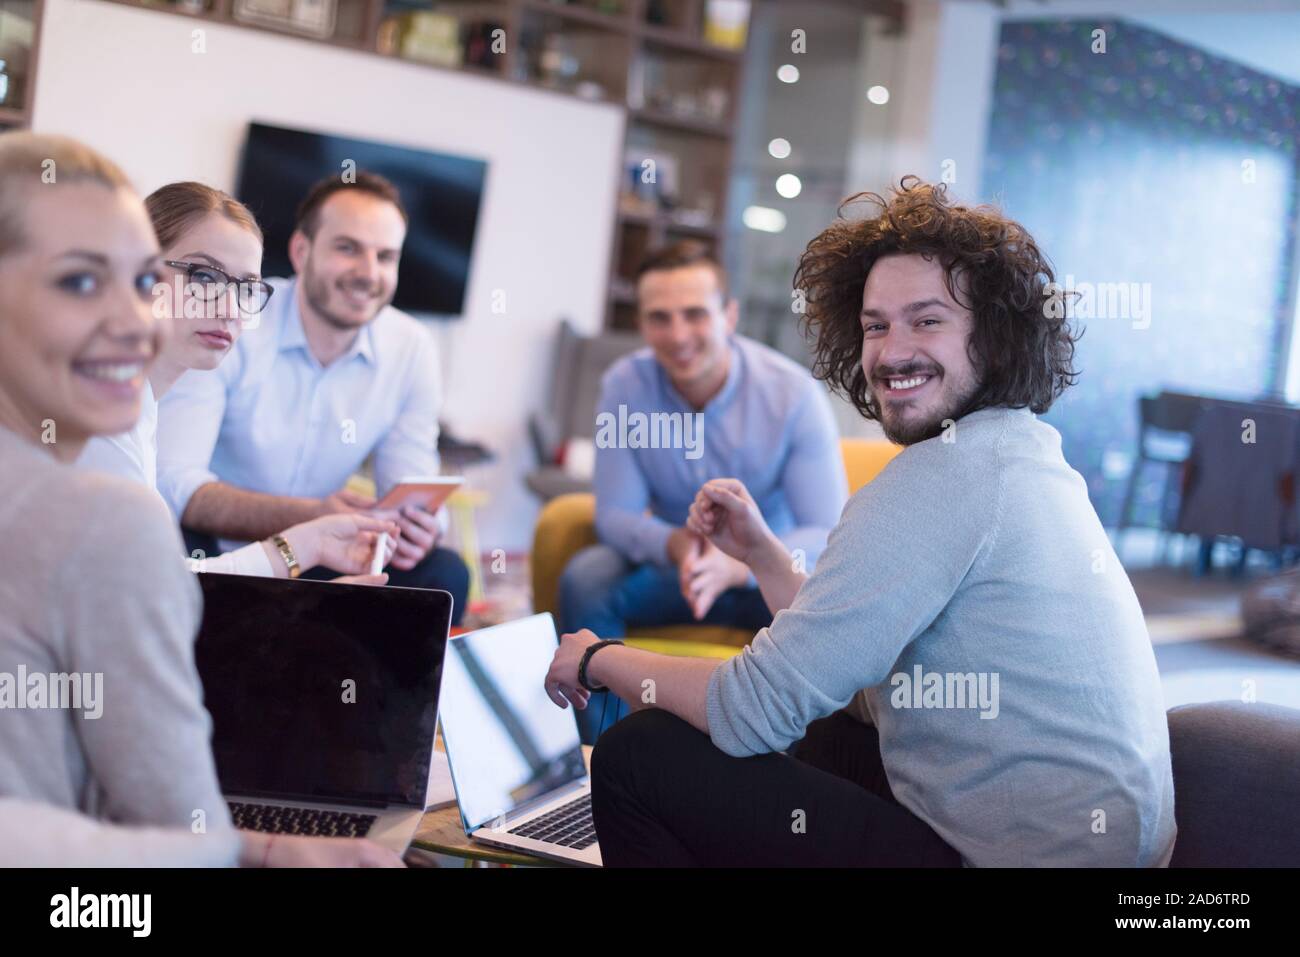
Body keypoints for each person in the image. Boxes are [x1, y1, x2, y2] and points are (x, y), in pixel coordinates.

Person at [544, 179, 1176, 867]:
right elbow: (837, 654)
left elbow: (749, 707)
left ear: (993, 337)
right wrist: (760, 552)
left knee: (639, 753)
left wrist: (598, 657)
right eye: (876, 325)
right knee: (825, 727)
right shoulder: (1017, 454)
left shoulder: (941, 478)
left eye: (927, 320)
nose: (891, 351)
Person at [0, 131, 400, 867]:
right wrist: (278, 852)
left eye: (246, 287)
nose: (129, 315)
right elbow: (179, 822)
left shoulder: (130, 418)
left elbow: (148, 593)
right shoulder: (91, 482)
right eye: (84, 281)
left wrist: (301, 547)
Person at [558, 241, 846, 740]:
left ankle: (804, 761)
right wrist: (675, 545)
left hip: (767, 579)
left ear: (729, 315)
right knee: (586, 578)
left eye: (694, 314)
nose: (678, 335)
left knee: (826, 605)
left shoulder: (792, 394)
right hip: (677, 569)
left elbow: (827, 531)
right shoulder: (624, 386)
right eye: (659, 318)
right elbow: (617, 514)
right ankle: (605, 756)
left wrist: (742, 564)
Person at [156, 172, 469, 621]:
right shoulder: (234, 318)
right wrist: (307, 517)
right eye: (348, 248)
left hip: (325, 554)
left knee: (444, 574)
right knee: (174, 548)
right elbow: (175, 483)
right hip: (212, 547)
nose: (368, 273)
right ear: (302, 252)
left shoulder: (412, 348)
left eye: (385, 256)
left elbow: (409, 485)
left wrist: (421, 527)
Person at [78, 181, 397, 581]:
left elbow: (163, 579)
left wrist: (309, 544)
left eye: (246, 288)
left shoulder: (135, 403)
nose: (230, 309)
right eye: (206, 277)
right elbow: (156, 595)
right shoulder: (98, 413)